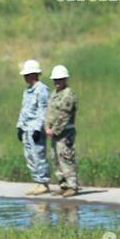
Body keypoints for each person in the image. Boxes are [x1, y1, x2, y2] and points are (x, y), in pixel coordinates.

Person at [16, 59, 50, 195]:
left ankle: (43, 182)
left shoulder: (42, 90)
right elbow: (24, 109)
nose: (25, 77)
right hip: (26, 128)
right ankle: (37, 181)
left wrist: (38, 128)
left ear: (34, 75)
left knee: (38, 155)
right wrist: (19, 126)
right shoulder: (27, 91)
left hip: (36, 129)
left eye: (27, 74)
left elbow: (43, 110)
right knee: (29, 156)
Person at [44, 65, 79, 197]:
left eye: (59, 79)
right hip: (53, 132)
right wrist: (46, 127)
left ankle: (72, 185)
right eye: (55, 80)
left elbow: (64, 115)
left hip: (65, 132)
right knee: (55, 158)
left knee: (66, 157)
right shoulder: (54, 94)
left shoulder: (68, 94)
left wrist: (55, 130)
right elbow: (49, 112)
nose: (57, 82)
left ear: (65, 79)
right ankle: (63, 185)